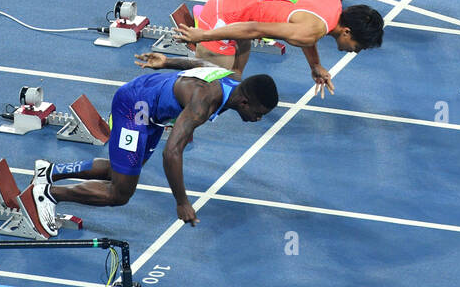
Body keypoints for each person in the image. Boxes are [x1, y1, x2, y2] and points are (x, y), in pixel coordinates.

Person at [29, 67, 278, 233]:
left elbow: (195, 63)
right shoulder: (203, 104)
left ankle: (49, 172)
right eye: (258, 114)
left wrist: (166, 61)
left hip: (152, 108)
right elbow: (171, 153)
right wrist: (182, 202)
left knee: (126, 170)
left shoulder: (229, 78)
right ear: (244, 102)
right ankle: (48, 194)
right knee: (120, 192)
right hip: (135, 108)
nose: (257, 119)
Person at [163, 0, 384, 95]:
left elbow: (305, 30)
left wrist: (315, 65)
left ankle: (230, 66)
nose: (356, 51)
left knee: (235, 72)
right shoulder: (311, 32)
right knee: (206, 81)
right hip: (228, 12)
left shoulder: (332, 2)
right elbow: (252, 29)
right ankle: (168, 113)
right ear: (347, 31)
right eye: (359, 45)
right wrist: (203, 35)